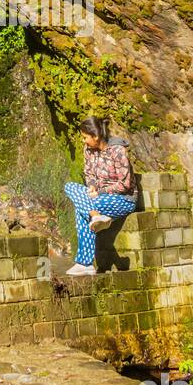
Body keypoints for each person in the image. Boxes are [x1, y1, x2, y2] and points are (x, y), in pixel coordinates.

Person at [64, 117, 136, 275]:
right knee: (70, 186)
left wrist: (100, 192)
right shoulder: (88, 150)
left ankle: (85, 263)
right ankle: (96, 216)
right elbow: (89, 174)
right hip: (97, 196)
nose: (84, 141)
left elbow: (125, 184)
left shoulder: (117, 150)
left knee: (80, 209)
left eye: (85, 137)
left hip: (123, 199)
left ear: (95, 136)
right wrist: (92, 186)